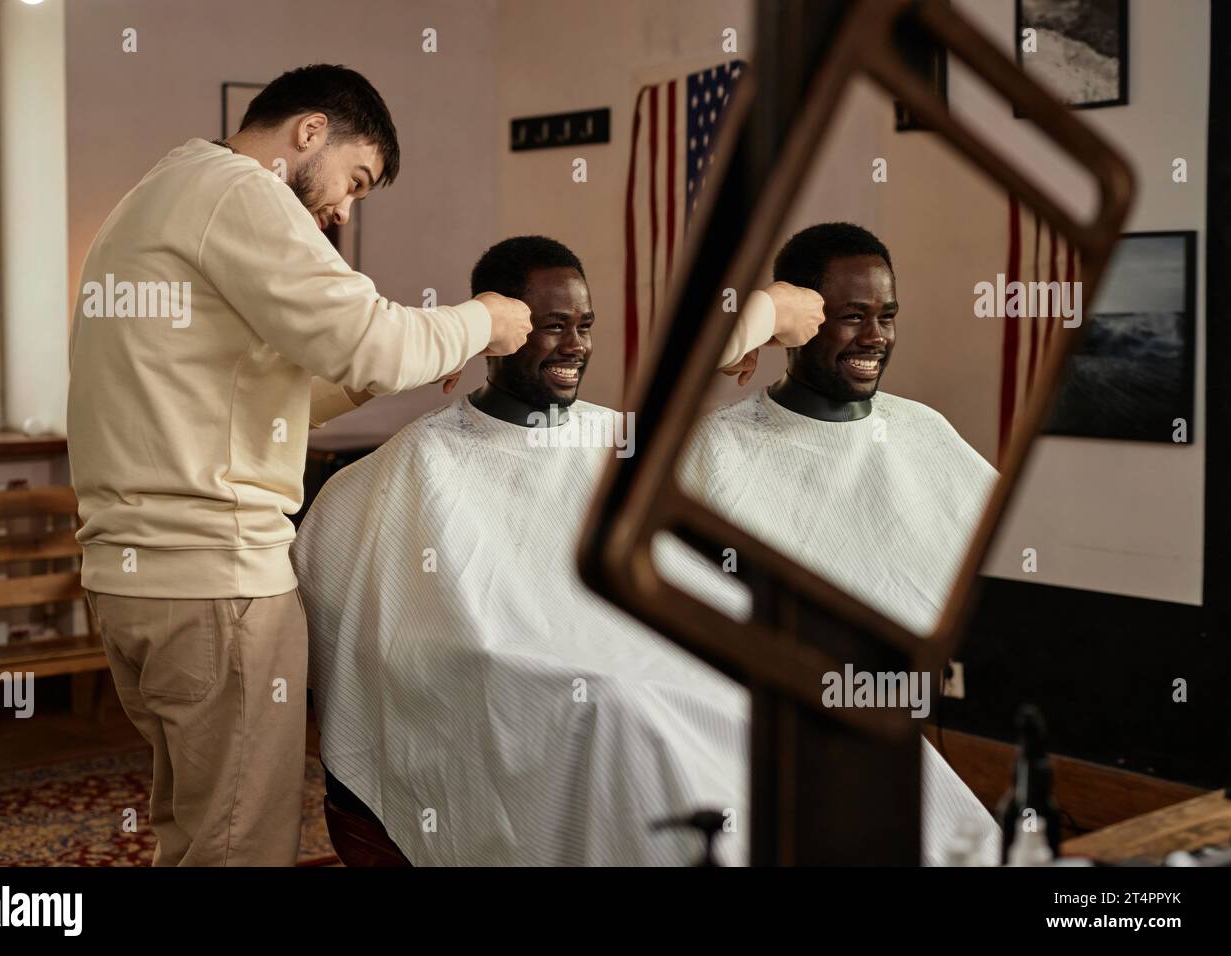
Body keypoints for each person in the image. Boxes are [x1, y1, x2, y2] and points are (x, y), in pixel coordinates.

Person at [293, 235, 998, 865]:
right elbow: (380, 605)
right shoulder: (419, 462)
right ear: (498, 332)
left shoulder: (621, 441)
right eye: (548, 327)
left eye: (584, 327)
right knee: (619, 705)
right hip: (543, 673)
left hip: (649, 648)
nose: (573, 346)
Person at [67, 64, 532, 866]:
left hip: (134, 587)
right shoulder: (242, 192)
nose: (343, 208)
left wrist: (408, 358)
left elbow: (261, 395)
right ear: (309, 131)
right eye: (356, 179)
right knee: (239, 847)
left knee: (193, 836)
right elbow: (370, 336)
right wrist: (479, 322)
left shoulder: (163, 189)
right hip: (217, 588)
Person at [682, 222, 998, 635]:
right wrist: (763, 314)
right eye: (852, 316)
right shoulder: (717, 446)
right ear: (796, 324)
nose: (875, 337)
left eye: (886, 317)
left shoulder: (924, 428)